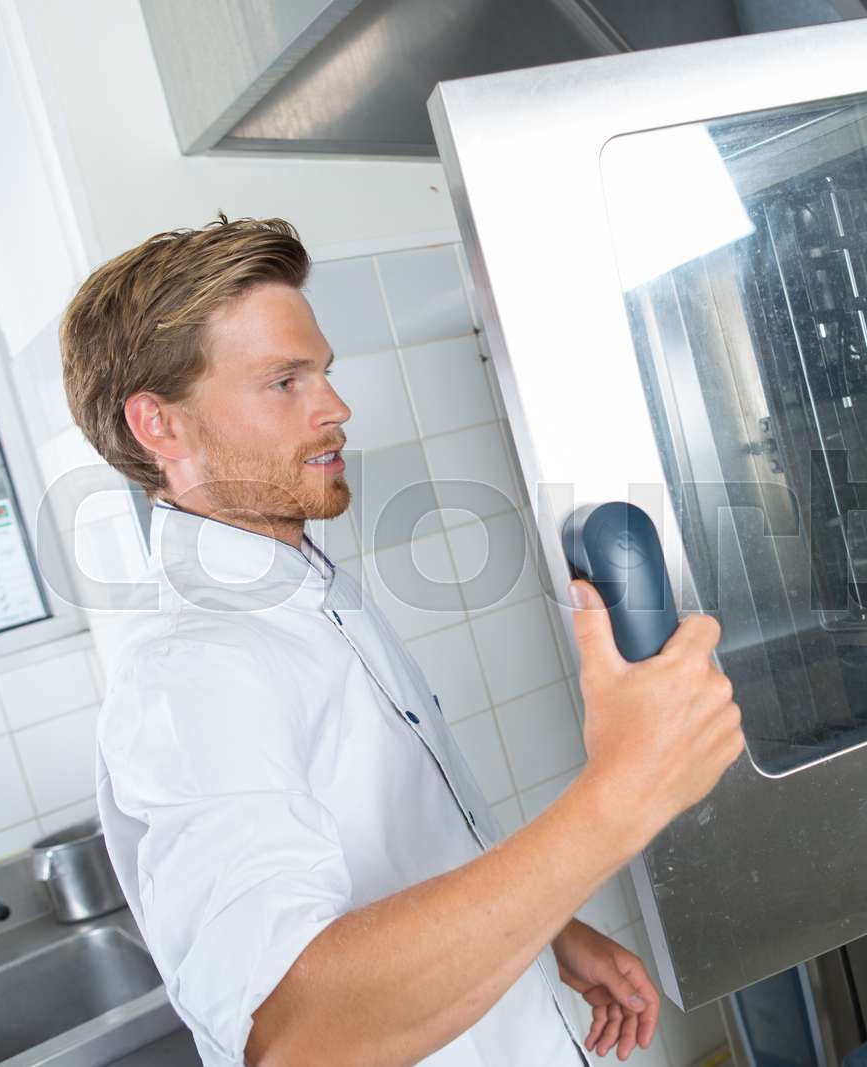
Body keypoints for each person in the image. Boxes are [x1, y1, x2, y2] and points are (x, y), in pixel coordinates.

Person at [60, 215, 744, 1067]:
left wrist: (546, 929)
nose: (336, 406)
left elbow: (377, 851)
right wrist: (623, 794)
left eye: (323, 372)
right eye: (284, 381)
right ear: (158, 424)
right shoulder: (194, 670)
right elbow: (296, 1031)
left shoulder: (304, 588)